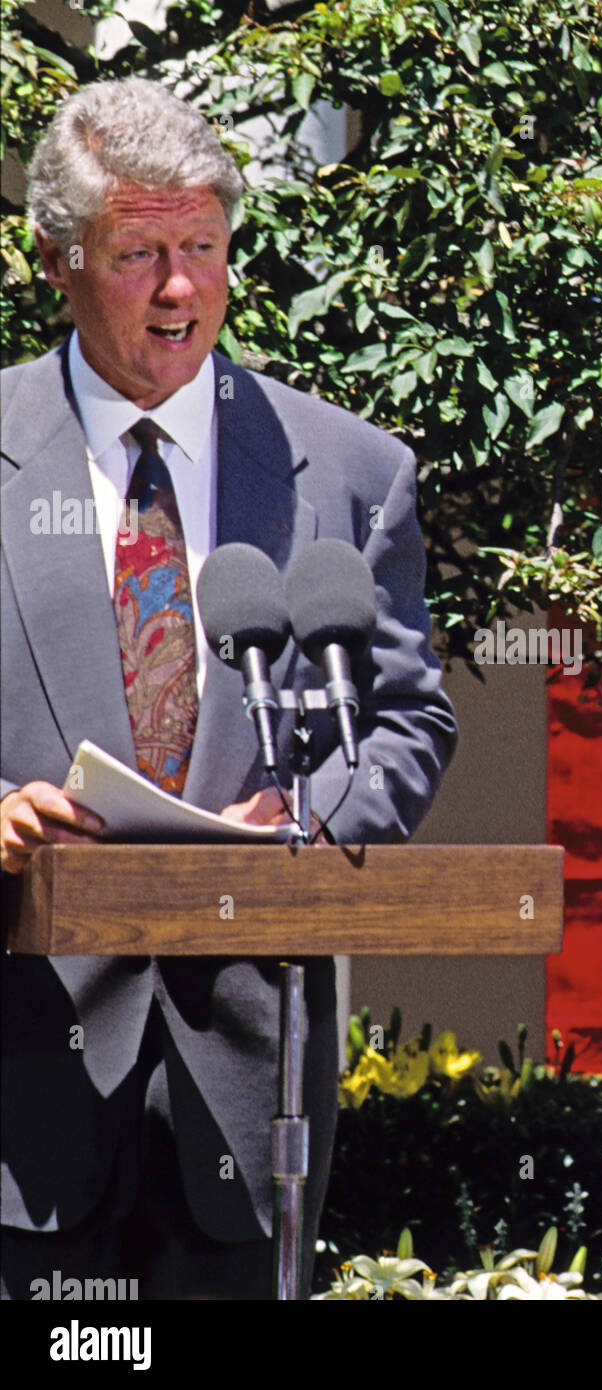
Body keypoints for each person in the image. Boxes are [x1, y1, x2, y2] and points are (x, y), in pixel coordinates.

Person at [0, 77, 457, 1299]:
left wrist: (309, 830)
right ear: (57, 258)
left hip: (253, 1077)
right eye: (138, 252)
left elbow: (408, 716)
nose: (179, 289)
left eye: (202, 246)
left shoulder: (350, 470)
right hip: (24, 1063)